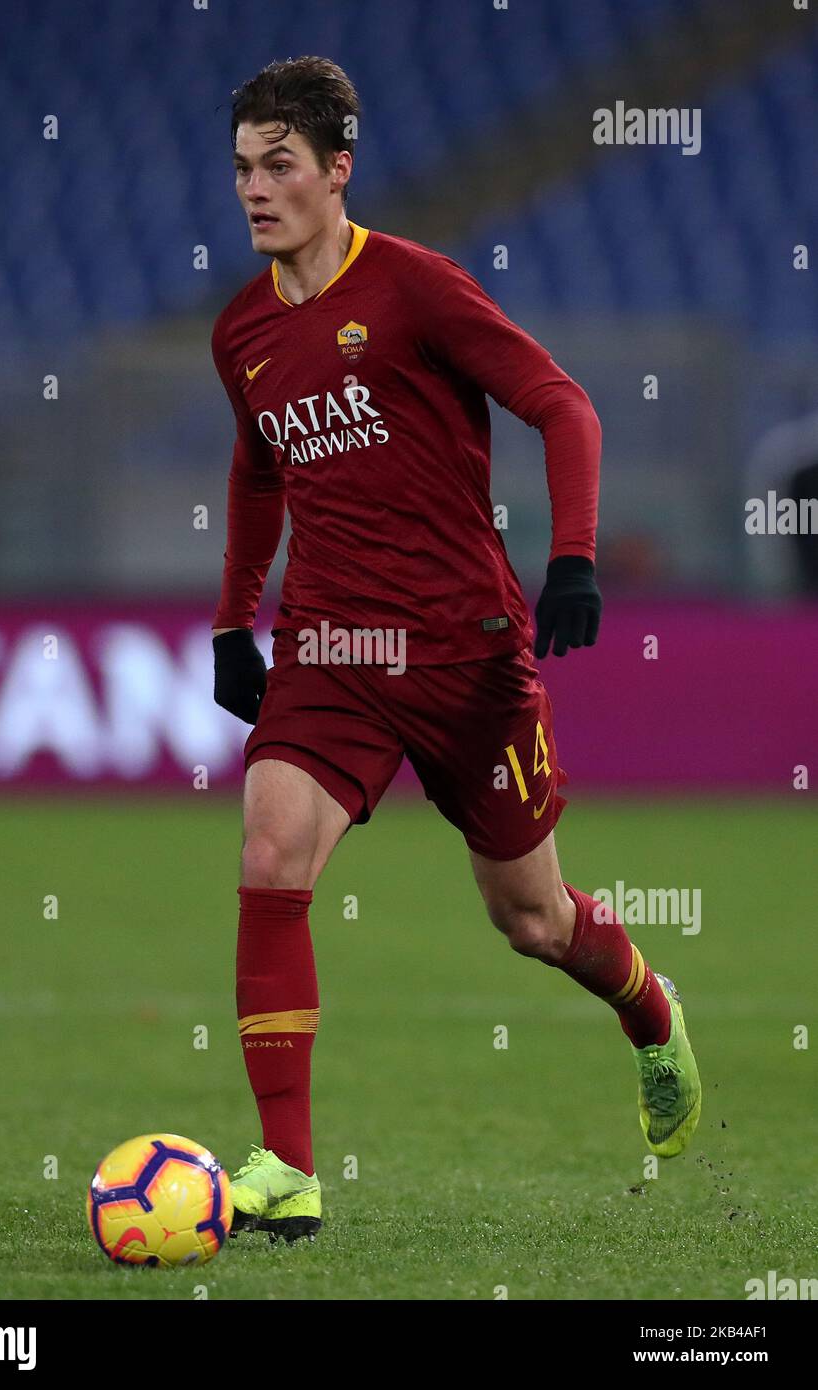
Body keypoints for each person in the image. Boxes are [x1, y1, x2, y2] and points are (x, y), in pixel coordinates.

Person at [210, 56, 701, 1243]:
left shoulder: (416, 290)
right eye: (241, 168)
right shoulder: (241, 333)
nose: (256, 190)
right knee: (273, 852)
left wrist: (572, 557)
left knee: (531, 920)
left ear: (338, 169)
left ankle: (650, 1008)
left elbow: (563, 403)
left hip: (464, 651)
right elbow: (260, 469)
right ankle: (290, 1167)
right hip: (331, 645)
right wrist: (237, 618)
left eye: (280, 166)